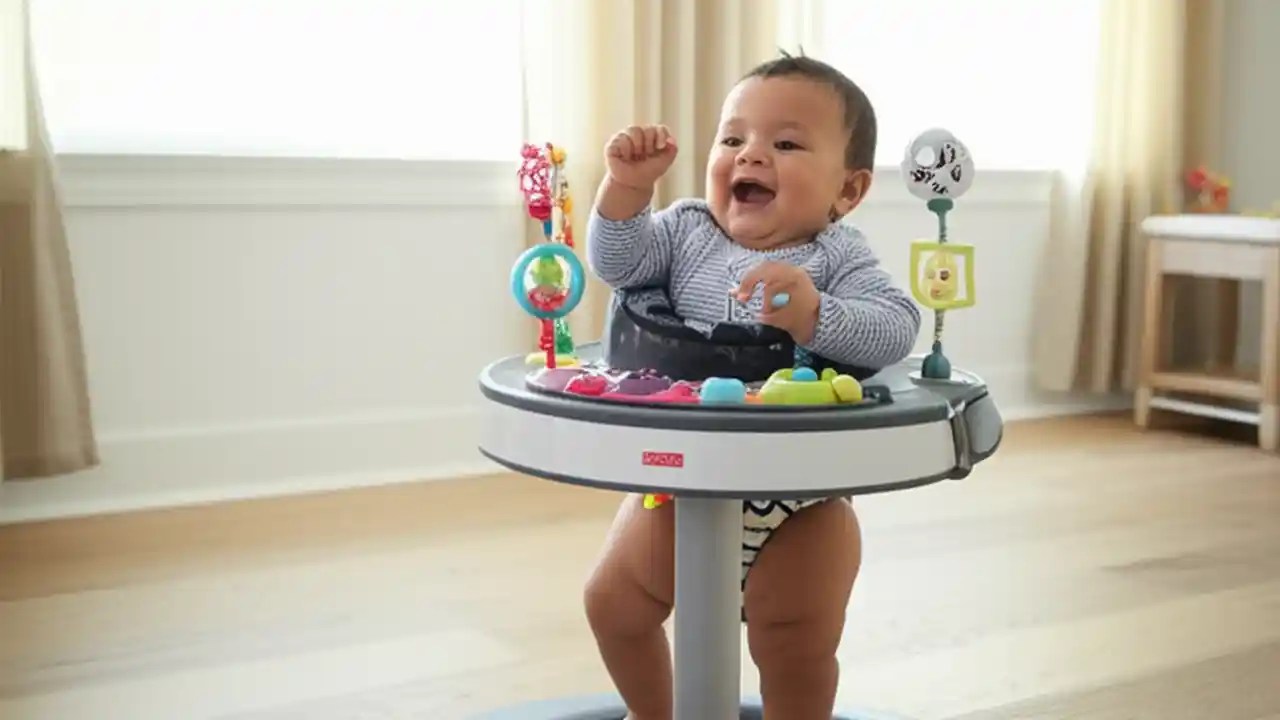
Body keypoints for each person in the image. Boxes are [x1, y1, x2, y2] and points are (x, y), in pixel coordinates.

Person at [582, 52, 921, 720]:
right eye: (732, 138)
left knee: (792, 646)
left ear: (846, 192)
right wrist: (624, 190)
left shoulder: (837, 257)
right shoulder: (685, 231)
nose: (752, 155)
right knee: (613, 605)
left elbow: (894, 329)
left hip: (799, 500)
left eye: (786, 143)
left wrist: (815, 313)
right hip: (678, 483)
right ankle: (657, 715)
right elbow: (616, 264)